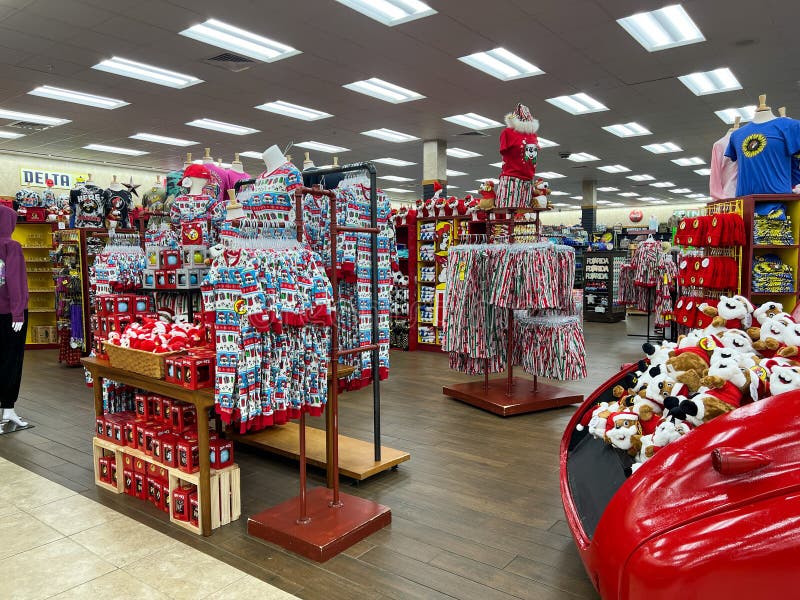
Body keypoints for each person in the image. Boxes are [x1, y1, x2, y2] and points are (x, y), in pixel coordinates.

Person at [0, 204, 29, 427]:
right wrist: (18, 313)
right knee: (12, 359)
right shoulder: (11, 246)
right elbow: (15, 281)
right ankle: (8, 407)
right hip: (10, 314)